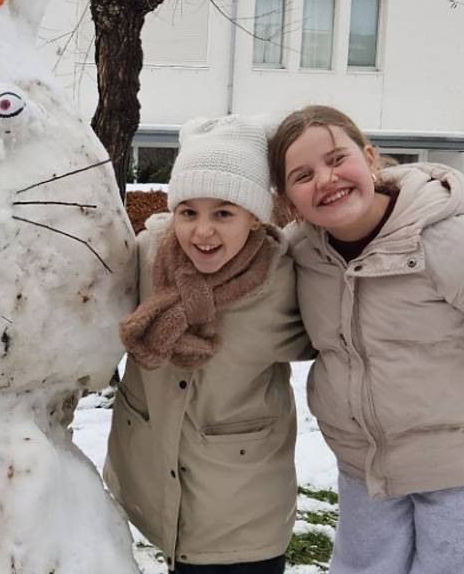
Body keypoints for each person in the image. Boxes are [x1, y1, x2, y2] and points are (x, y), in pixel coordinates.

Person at [268, 104, 464, 574]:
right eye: (302, 175)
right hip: (365, 467)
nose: (325, 179)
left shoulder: (455, 242)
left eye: (336, 158)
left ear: (369, 159)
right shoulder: (302, 254)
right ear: (288, 198)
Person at [104, 116, 311, 574]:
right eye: (188, 211)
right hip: (152, 486)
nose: (202, 231)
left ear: (255, 217)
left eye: (223, 212)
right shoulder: (146, 257)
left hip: (244, 511)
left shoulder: (286, 280)